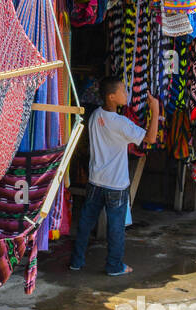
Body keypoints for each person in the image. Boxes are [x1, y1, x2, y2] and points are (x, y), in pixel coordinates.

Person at [68, 77, 160, 276]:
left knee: (85, 222)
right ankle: (114, 266)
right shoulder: (120, 123)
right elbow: (151, 139)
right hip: (116, 185)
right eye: (123, 91)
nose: (126, 94)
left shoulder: (95, 116)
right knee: (116, 228)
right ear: (111, 97)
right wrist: (156, 110)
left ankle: (76, 261)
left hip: (95, 180)